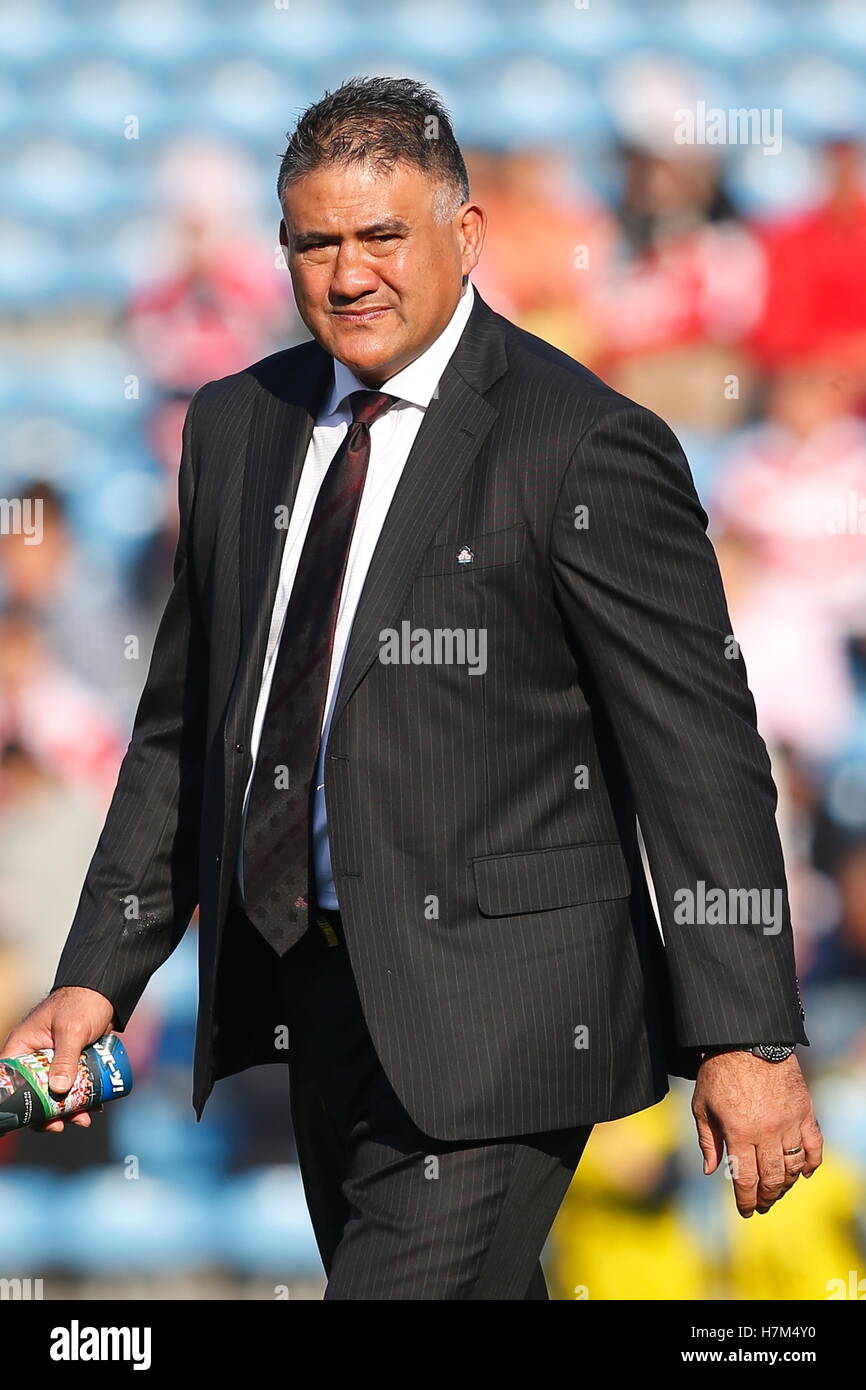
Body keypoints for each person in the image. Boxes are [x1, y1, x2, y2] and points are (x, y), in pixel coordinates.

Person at [2, 75, 822, 1300]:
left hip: (506, 1020)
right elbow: (185, 740)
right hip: (314, 1002)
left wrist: (747, 1033)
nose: (348, 275)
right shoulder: (234, 427)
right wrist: (93, 978)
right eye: (315, 243)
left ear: (465, 234)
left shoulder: (579, 441)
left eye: (382, 235)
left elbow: (696, 753)